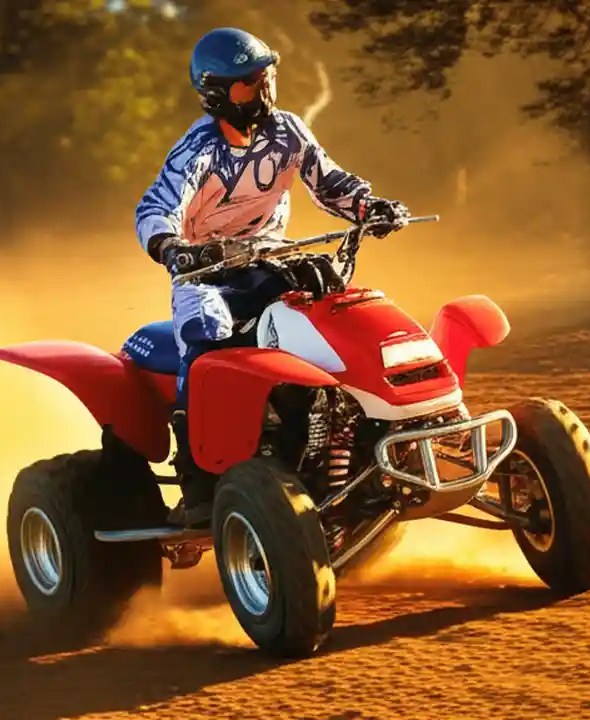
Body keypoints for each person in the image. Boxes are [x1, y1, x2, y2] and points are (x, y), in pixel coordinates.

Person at [135, 27, 410, 527]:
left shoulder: (288, 131)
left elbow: (330, 183)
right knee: (205, 343)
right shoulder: (197, 150)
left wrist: (372, 207)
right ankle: (198, 485)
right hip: (207, 275)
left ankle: (363, 448)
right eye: (247, 85)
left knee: (335, 309)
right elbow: (156, 209)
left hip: (273, 258)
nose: (262, 93)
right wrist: (171, 249)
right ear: (216, 93)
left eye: (266, 79)